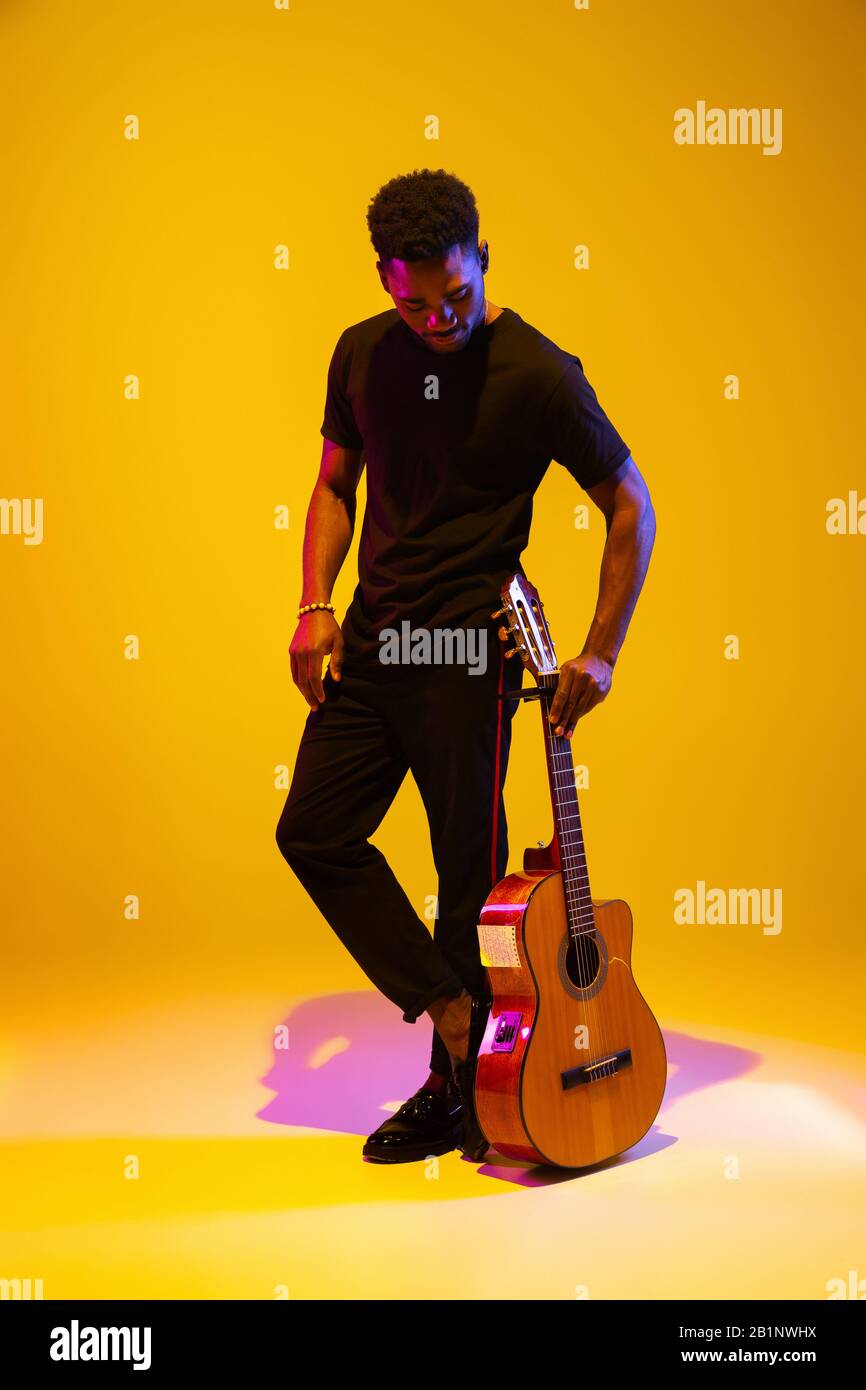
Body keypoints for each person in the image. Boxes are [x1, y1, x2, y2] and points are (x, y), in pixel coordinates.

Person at [275, 167, 656, 1163]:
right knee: (312, 830)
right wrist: (314, 606)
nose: (437, 319)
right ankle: (453, 1014)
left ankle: (462, 1090)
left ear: (482, 258)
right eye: (413, 302)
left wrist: (601, 649)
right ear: (382, 281)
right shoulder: (360, 353)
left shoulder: (534, 372)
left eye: (455, 296)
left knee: (466, 881)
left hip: (467, 655)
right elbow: (331, 485)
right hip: (373, 642)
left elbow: (627, 500)